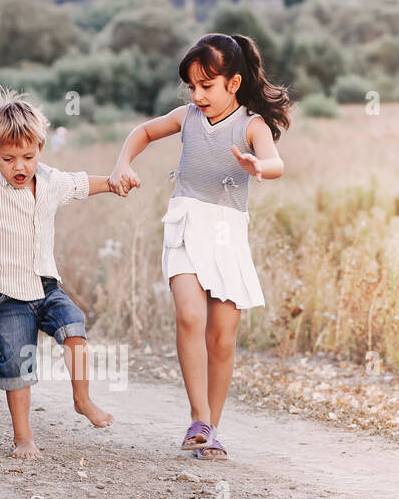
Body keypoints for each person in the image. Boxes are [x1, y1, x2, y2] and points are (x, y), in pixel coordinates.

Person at [0, 86, 138, 459]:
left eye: (28, 156)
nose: (20, 166)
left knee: (74, 326)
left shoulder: (51, 180)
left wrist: (112, 183)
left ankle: (82, 400)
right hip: (6, 295)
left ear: (40, 149)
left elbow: (80, 184)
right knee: (18, 364)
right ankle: (23, 437)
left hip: (45, 286)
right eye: (8, 159)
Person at [109, 33, 289, 461]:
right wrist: (122, 162)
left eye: (206, 86)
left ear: (234, 83)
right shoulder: (187, 116)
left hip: (227, 235)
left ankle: (212, 430)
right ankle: (198, 418)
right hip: (187, 223)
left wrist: (257, 165)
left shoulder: (252, 125)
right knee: (190, 316)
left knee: (222, 339)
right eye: (192, 86)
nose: (197, 95)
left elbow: (277, 163)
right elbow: (143, 131)